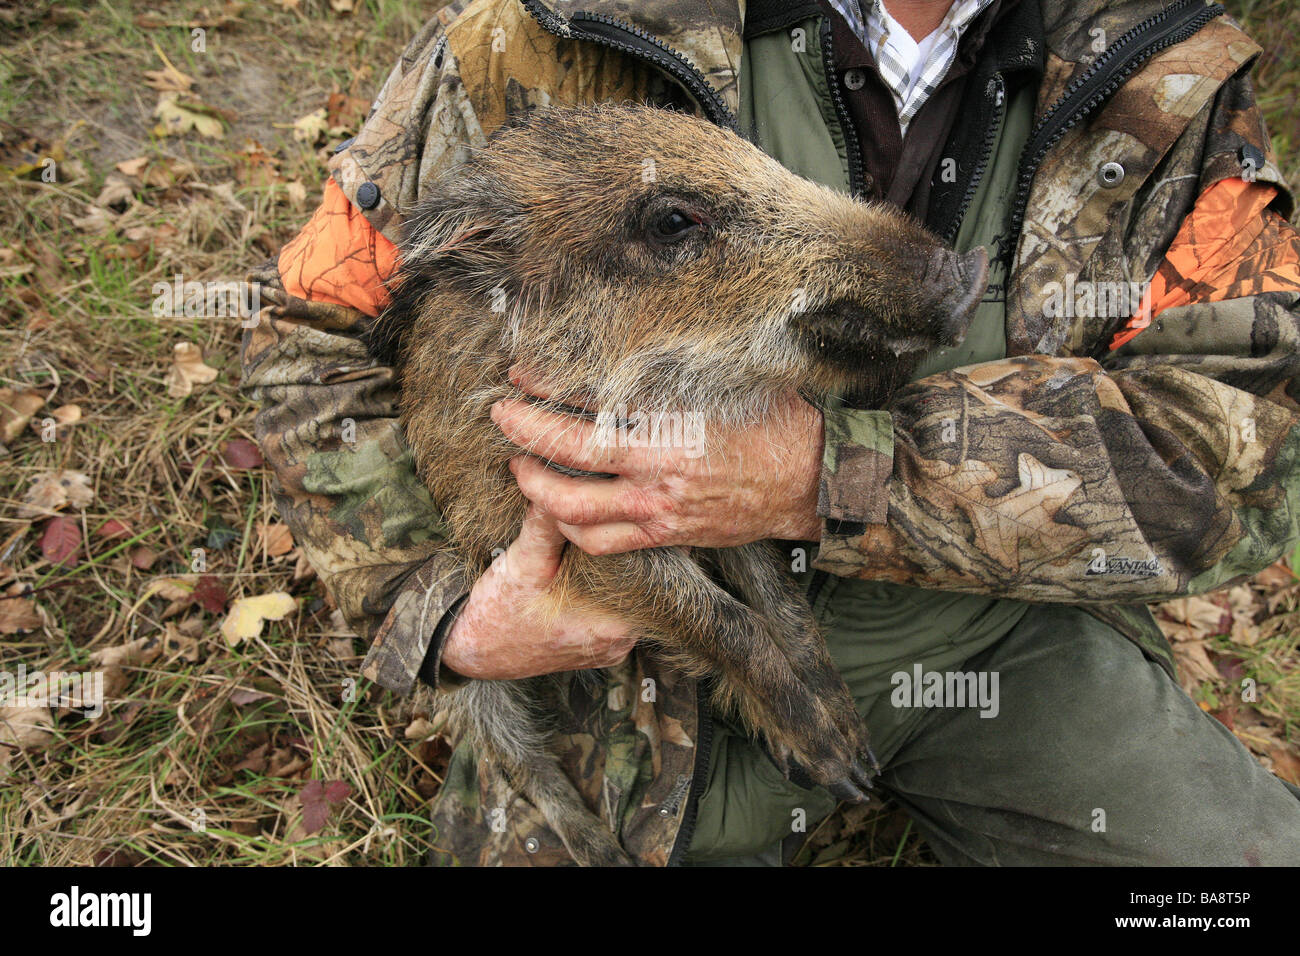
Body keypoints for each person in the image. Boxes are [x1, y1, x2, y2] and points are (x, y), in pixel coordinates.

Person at [241, 0, 1300, 865]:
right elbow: (305, 332)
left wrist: (825, 474)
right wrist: (444, 613)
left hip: (996, 632)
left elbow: (1250, 434)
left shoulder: (1171, 71)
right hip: (613, 673)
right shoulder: (539, 34)